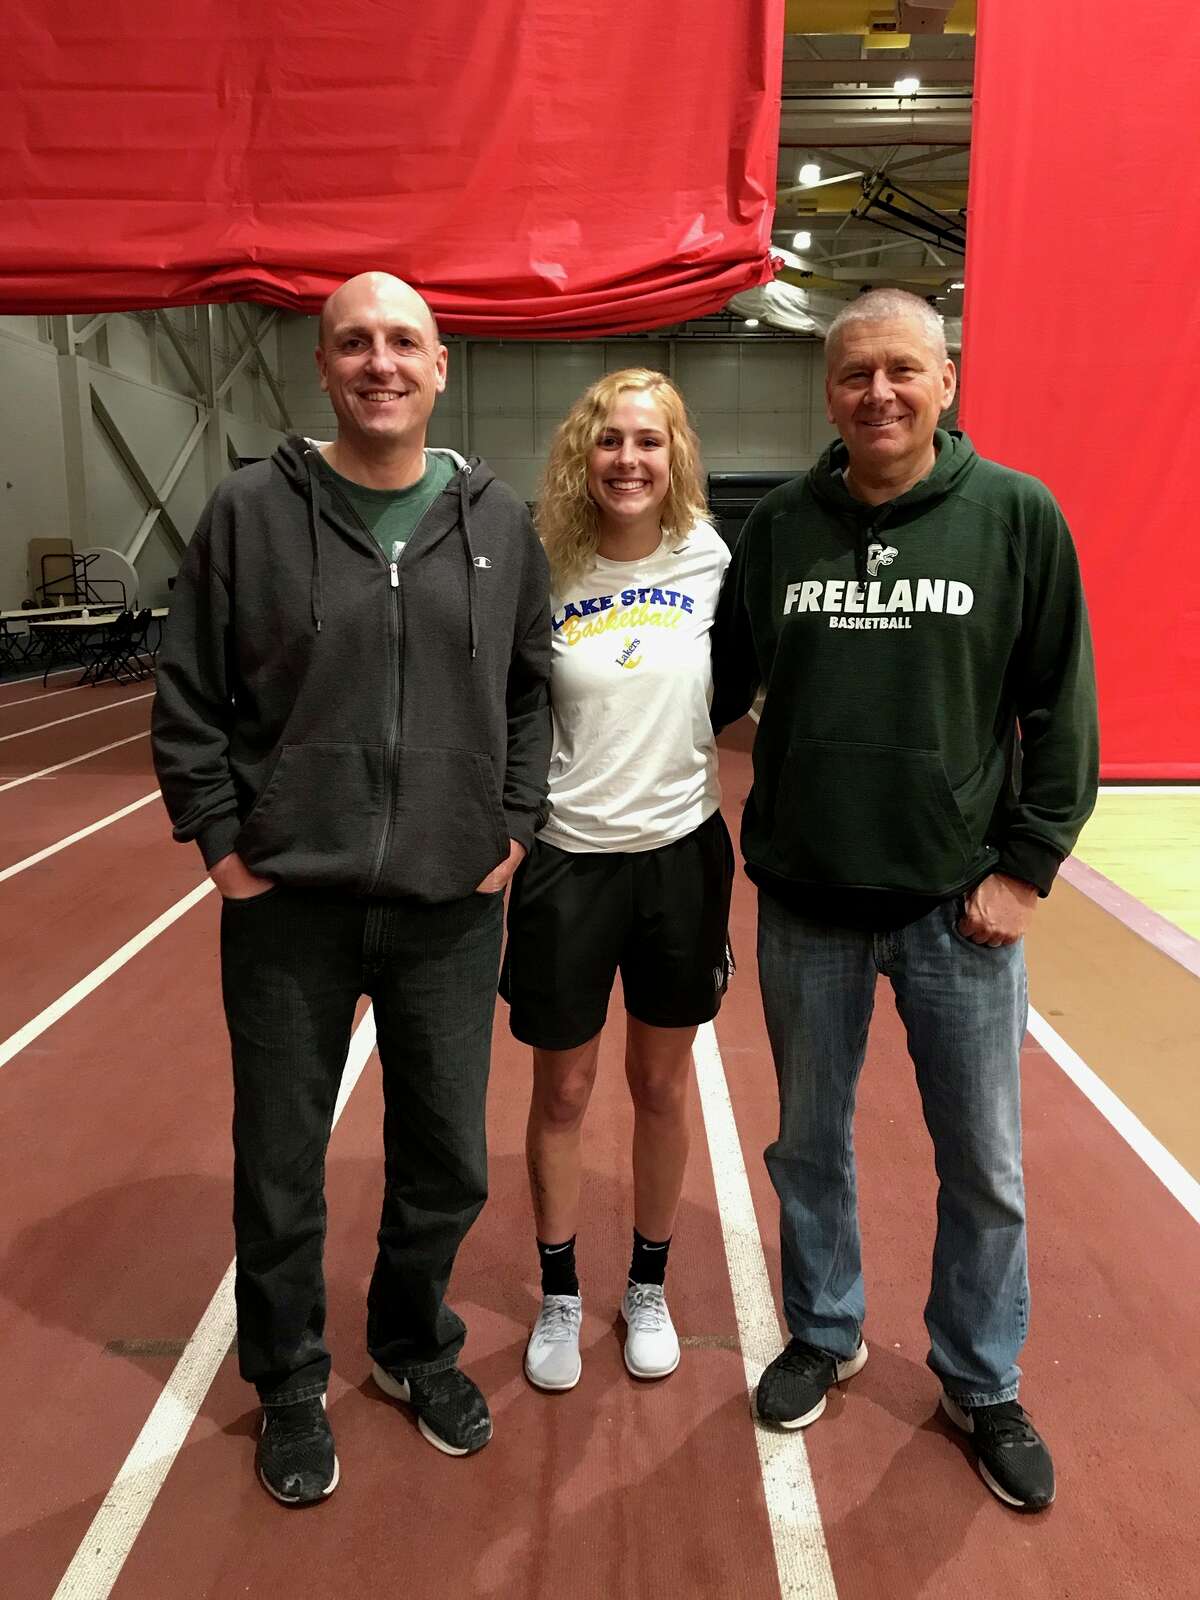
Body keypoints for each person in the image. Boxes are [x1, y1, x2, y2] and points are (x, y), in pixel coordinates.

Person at [151, 272, 551, 1506]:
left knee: (447, 1156)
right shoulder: (248, 511)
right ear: (322, 368)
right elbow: (191, 695)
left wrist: (516, 827)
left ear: (441, 367)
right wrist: (223, 841)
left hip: (447, 897)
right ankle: (287, 1378)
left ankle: (410, 1343)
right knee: (280, 1158)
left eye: (404, 344)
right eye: (355, 344)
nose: (381, 363)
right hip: (289, 904)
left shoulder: (497, 522)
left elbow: (534, 690)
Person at [710, 288, 1098, 1512]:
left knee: (983, 1164)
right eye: (853, 374)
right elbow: (709, 680)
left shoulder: (1017, 518)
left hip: (958, 912)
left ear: (946, 382)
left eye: (901, 372)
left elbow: (1063, 709)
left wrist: (1025, 869)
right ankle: (825, 1330)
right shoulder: (780, 528)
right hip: (809, 906)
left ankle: (981, 1379)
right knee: (806, 1147)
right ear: (827, 393)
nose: (877, 393)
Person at [500, 369, 734, 1392]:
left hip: (680, 854)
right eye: (610, 441)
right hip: (568, 858)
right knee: (564, 1086)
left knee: (659, 1083)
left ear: (675, 454)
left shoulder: (715, 560)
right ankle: (558, 1294)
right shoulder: (542, 568)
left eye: (649, 440)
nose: (629, 459)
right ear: (582, 455)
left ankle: (647, 1285)